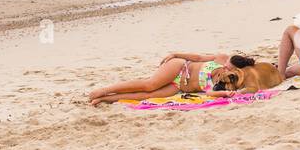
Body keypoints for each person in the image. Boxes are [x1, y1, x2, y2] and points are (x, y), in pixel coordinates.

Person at [87, 50, 231, 104]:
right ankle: (104, 90)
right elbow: (199, 57)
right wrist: (176, 55)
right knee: (150, 85)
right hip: (179, 68)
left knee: (149, 96)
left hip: (178, 87)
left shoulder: (229, 83)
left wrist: (226, 92)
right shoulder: (222, 59)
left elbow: (213, 93)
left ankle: (105, 98)